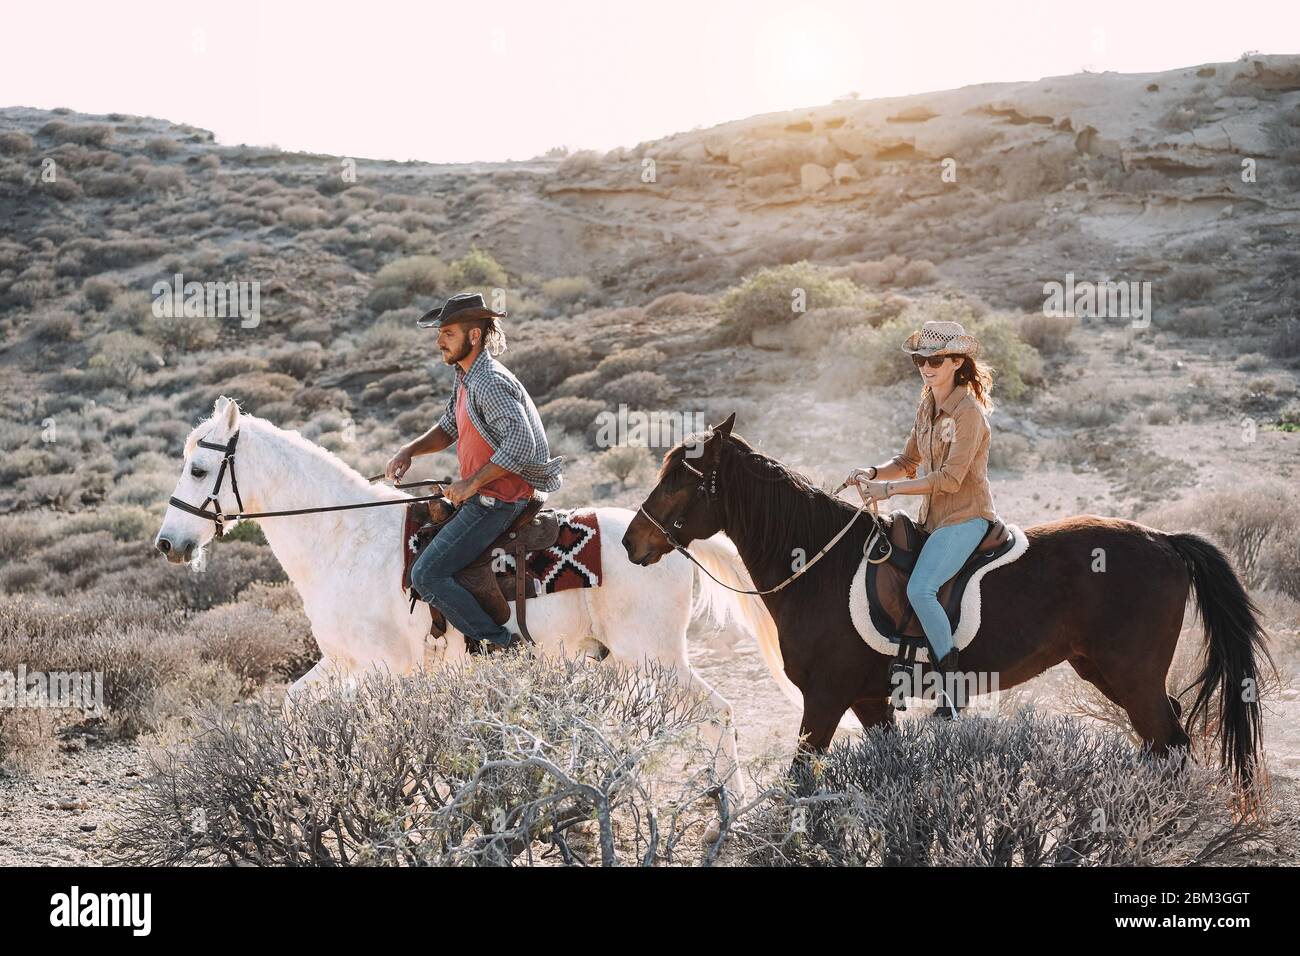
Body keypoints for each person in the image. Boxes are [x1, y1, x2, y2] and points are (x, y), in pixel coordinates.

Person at [385, 292, 563, 652]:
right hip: (488, 493)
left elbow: (521, 445)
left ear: (474, 336)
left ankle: (501, 645)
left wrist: (471, 484)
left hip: (500, 499)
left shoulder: (489, 382)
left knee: (427, 574)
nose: (439, 341)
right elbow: (449, 427)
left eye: (447, 332)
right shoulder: (466, 376)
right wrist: (410, 450)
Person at [846, 320, 999, 713]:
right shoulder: (927, 404)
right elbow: (908, 461)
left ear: (956, 361)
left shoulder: (969, 414)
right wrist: (873, 473)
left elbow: (950, 479)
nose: (925, 366)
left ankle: (953, 688)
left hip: (965, 518)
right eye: (919, 359)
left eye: (934, 359)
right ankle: (903, 669)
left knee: (919, 590)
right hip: (932, 520)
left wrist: (890, 490)